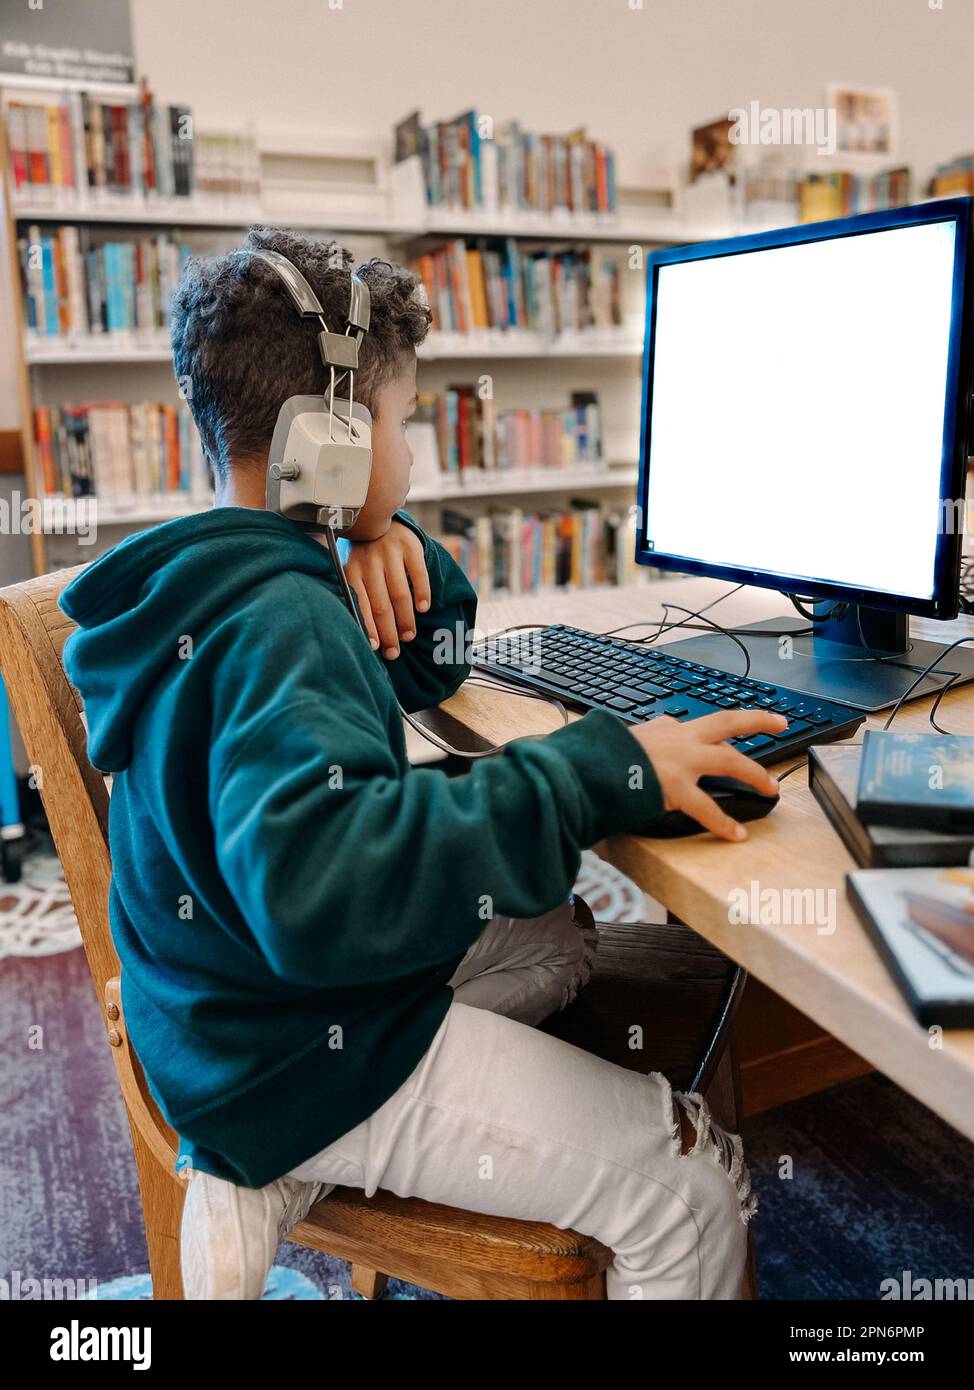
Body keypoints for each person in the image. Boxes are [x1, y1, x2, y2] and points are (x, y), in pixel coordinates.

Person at [60, 225, 786, 1300]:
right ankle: (289, 1156)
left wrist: (386, 541)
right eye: (401, 422)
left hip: (225, 1016)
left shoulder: (228, 576)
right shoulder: (283, 622)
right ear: (333, 440)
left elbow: (426, 650)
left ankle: (275, 1154)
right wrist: (597, 770)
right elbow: (320, 888)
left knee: (554, 931)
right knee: (690, 1188)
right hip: (297, 1051)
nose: (412, 452)